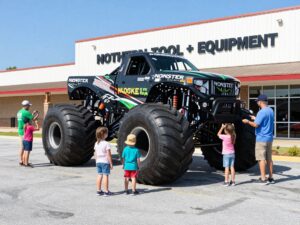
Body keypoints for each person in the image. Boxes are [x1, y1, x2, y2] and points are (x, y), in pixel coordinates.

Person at [242, 94, 275, 185]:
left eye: (257, 101)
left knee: (261, 159)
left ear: (260, 102)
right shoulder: (270, 110)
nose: (257, 103)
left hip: (261, 139)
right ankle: (271, 178)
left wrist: (248, 121)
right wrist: (255, 118)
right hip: (269, 138)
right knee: (269, 159)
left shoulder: (261, 112)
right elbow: (264, 122)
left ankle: (263, 178)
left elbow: (256, 125)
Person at [17, 100, 39, 166]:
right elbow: (33, 119)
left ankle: (21, 160)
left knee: (21, 146)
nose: (29, 106)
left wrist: (32, 113)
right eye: (29, 105)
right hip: (25, 131)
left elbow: (27, 118)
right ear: (26, 106)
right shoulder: (26, 112)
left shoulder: (19, 112)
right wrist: (37, 114)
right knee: (25, 148)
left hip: (20, 130)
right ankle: (25, 162)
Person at [94, 127, 113, 197]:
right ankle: (106, 191)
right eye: (107, 133)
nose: (107, 134)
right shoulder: (106, 143)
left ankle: (98, 190)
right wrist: (111, 163)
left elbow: (95, 153)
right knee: (106, 176)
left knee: (99, 175)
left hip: (98, 161)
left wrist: (96, 161)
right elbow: (108, 155)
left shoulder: (96, 143)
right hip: (105, 162)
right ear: (104, 134)